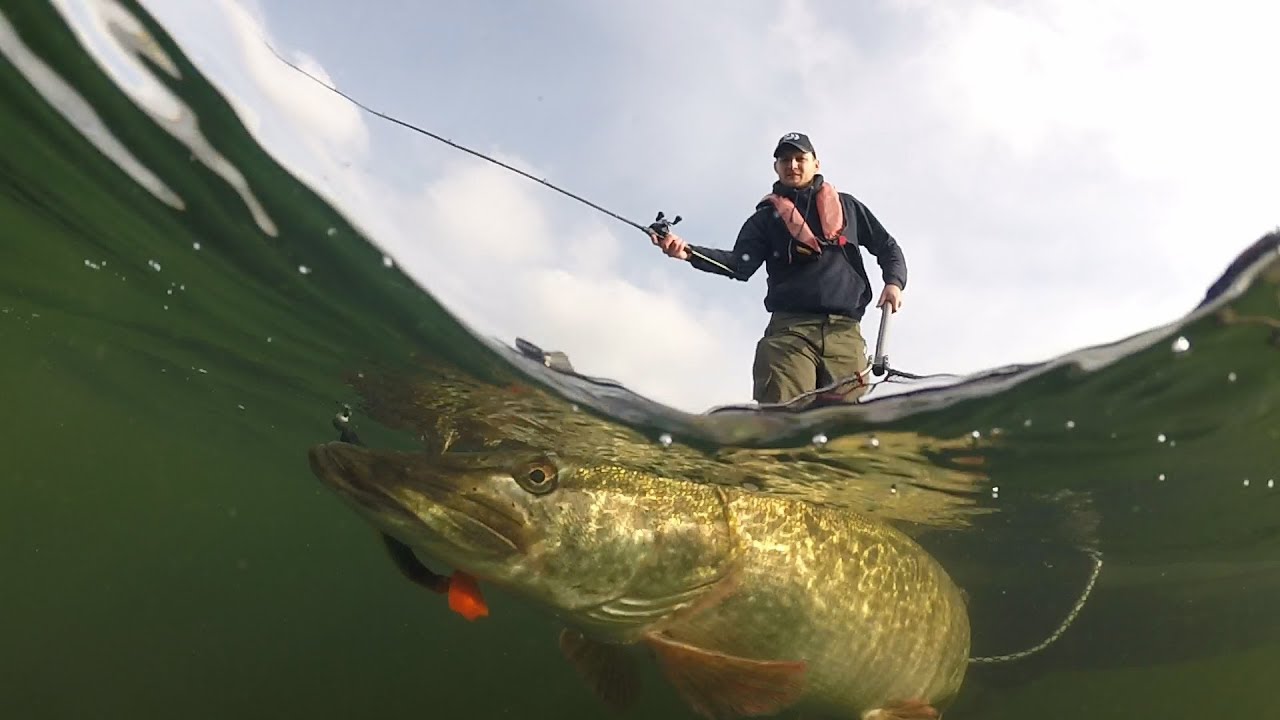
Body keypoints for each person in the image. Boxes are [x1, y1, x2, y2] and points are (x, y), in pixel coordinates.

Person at [649, 132, 907, 406]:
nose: (792, 165)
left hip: (846, 336)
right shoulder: (764, 220)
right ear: (776, 167)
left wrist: (894, 281)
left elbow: (888, 246)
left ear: (816, 164)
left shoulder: (848, 206)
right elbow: (740, 265)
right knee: (783, 420)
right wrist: (687, 251)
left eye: (800, 158)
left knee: (846, 434)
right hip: (789, 335)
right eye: (785, 160)